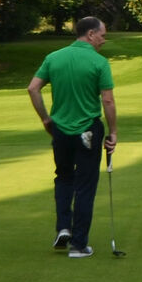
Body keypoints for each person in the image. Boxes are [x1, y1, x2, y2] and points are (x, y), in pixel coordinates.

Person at [27, 17, 118, 257]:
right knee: (85, 186)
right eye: (102, 35)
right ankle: (78, 245)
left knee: (64, 177)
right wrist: (113, 132)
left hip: (60, 130)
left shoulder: (54, 58)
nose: (104, 40)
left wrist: (45, 119)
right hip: (88, 129)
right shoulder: (99, 62)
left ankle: (63, 228)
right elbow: (107, 100)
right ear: (90, 34)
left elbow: (33, 88)